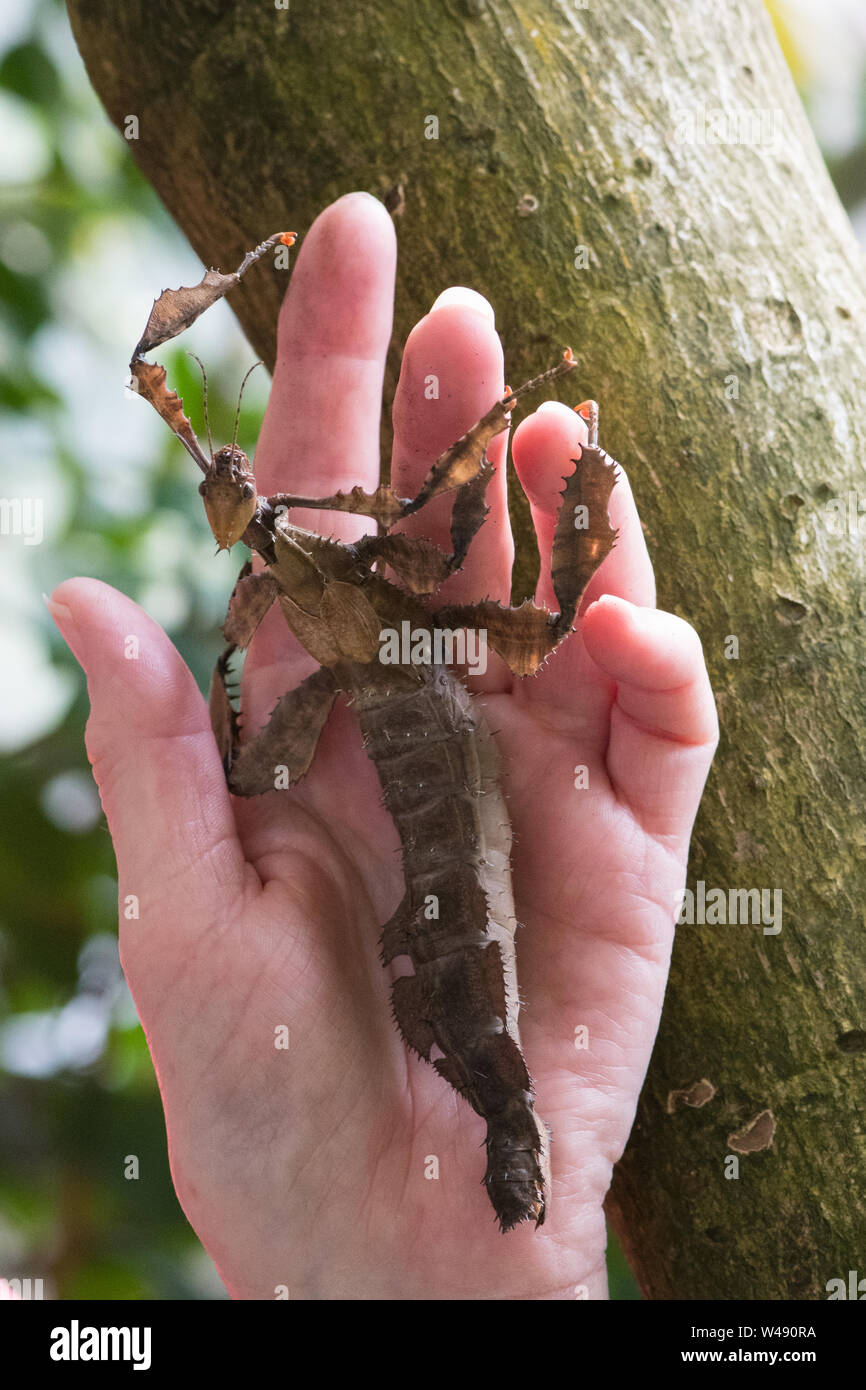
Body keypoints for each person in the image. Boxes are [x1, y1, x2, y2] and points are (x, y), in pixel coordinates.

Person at [47, 192, 718, 1300]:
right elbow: (408, 525)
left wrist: (499, 420)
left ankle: (506, 1116)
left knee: (547, 628)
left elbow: (426, 507)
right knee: (522, 626)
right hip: (404, 740)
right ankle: (502, 1117)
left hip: (426, 730)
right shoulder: (279, 594)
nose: (234, 495)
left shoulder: (301, 577)